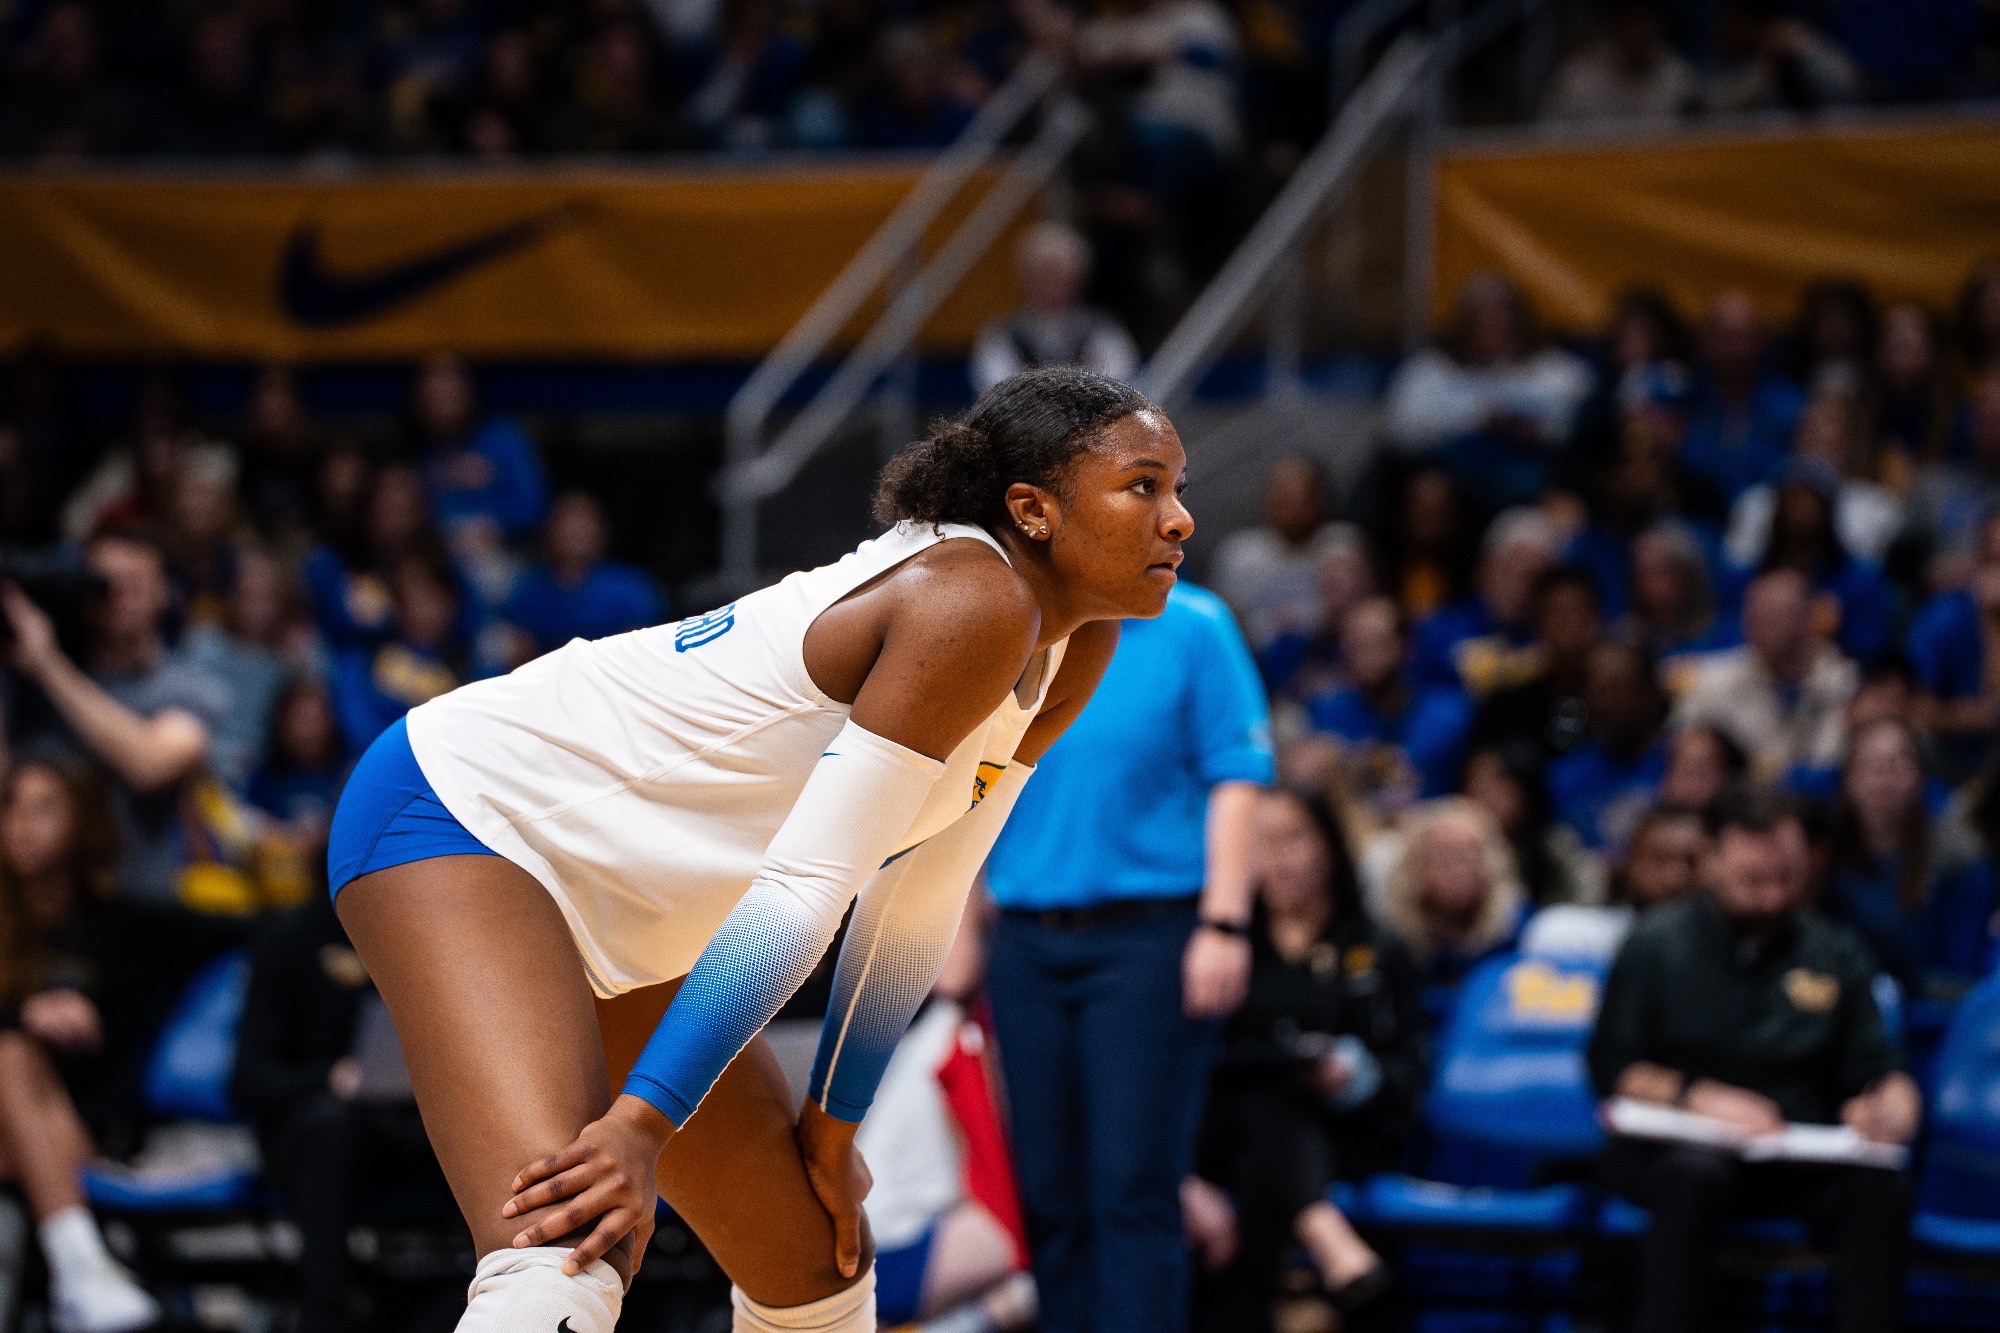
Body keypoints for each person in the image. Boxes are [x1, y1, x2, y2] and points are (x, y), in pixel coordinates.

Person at [325, 367, 1185, 1333]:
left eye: (1177, 487)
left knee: (815, 1267)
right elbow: (808, 886)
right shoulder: (969, 598)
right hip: (469, 815)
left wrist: (833, 1122)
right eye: (1144, 485)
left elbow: (918, 894)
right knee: (567, 1248)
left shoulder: (1077, 643)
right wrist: (640, 1127)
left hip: (640, 899)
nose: (1179, 518)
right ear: (1032, 509)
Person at [981, 557, 1271, 1333]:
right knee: (1044, 1187)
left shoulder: (1196, 627)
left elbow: (1238, 775)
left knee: (1132, 1186)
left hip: (1149, 935)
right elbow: (969, 785)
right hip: (1025, 939)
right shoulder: (1018, 628)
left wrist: (1225, 922)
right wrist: (961, 920)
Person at [1588, 785, 1919, 1333]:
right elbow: (1613, 1068)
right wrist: (1702, 1099)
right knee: (1697, 1176)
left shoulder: (1835, 949)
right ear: (1711, 860)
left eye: (1786, 878)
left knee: (1880, 1189)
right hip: (1676, 1146)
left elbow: (1880, 1068)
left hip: (1794, 1148)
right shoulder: (1655, 942)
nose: (1771, 897)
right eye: (1752, 880)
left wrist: (1892, 1107)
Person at [1191, 788, 1422, 1331]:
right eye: (1260, 843)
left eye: (1293, 838)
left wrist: (1354, 1077)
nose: (1278, 859)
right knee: (1263, 1098)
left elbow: (1410, 1071)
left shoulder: (1376, 947)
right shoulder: (1224, 946)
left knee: (1262, 1155)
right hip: (1220, 1135)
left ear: (1329, 847)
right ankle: (1328, 1238)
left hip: (1344, 1133)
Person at [230, 890, 445, 1333]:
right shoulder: (290, 942)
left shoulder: (429, 938)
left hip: (406, 1129)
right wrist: (328, 1077)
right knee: (331, 1126)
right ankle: (324, 1313)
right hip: (311, 1142)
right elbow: (247, 1081)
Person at [0, 757, 160, 1333]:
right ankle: (83, 1271)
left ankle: (79, 1270)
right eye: (12, 806)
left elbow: (254, 928)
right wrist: (25, 1012)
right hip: (18, 1134)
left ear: (83, 820)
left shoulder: (122, 926)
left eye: (44, 807)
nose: (22, 824)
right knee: (11, 1050)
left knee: (10, 1057)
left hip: (84, 1123)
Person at [1, 529, 230, 907]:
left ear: (164, 593)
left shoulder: (192, 687)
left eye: (133, 582)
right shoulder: (33, 680)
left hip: (138, 909)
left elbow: (149, 764)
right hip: (40, 911)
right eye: (104, 582)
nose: (115, 594)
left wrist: (47, 664)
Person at [1383, 275, 1594, 511]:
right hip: (1454, 486)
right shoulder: (1429, 371)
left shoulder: (1556, 371)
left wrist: (1531, 429)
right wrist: (1475, 420)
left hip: (1537, 479)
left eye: (1502, 322)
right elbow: (1403, 433)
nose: (1494, 330)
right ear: (1465, 325)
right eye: (1484, 323)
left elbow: (1578, 422)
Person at [1822, 718, 1997, 1001]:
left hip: (1933, 1012)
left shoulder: (1959, 865)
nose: (1883, 777)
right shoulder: (1822, 860)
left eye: (1897, 763)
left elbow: (1963, 972)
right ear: (1846, 779)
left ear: (1921, 777)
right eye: (1869, 765)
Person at [1672, 568, 1857, 781]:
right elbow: (1681, 752)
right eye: (1753, 614)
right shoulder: (1713, 681)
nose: (1759, 626)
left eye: (1774, 615)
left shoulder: (1846, 684)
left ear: (1808, 618)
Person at [1308, 597, 1474, 807]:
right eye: (1355, 645)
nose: (1365, 657)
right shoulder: (1327, 714)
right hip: (1359, 829)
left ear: (1407, 648)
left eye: (1378, 643)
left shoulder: (1448, 711)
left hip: (1433, 823)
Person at [1373, 797, 1527, 1021]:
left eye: (1470, 855)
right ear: (1415, 868)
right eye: (1444, 856)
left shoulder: (1520, 932)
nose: (1459, 869)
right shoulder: (1393, 945)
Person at [1409, 507, 1562, 698]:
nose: (1524, 587)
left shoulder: (1552, 637)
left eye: (1536, 577)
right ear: (1486, 568)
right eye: (1515, 570)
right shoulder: (1441, 629)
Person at [970, 223, 1140, 395]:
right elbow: (995, 387)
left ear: (1079, 278)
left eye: (1061, 273)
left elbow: (1118, 382)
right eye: (1044, 273)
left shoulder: (1104, 329)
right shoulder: (1001, 335)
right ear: (1025, 278)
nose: (1052, 282)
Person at [500, 492, 666, 661]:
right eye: (567, 526)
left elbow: (644, 651)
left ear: (602, 532)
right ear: (549, 532)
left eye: (584, 527)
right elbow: (520, 653)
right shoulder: (529, 591)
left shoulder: (632, 588)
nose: (575, 535)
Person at [1679, 291, 1806, 507]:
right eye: (1723, 337)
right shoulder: (1682, 397)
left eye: (1741, 337)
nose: (1733, 350)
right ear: (1705, 342)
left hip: (1769, 519)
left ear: (1761, 341)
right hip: (1699, 518)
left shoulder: (1791, 406)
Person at [1210, 457, 1350, 652]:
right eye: (1283, 496)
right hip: (1257, 659)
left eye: (1301, 496)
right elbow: (1222, 624)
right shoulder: (1238, 555)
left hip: (1331, 658)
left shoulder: (1344, 547)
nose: (1292, 507)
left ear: (1321, 498)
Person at [1546, 639, 1670, 855]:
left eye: (1617, 689)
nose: (1603, 703)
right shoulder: (1562, 778)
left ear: (1649, 693)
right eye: (1596, 690)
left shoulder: (1678, 765)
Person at [1908, 509, 2000, 780]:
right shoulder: (1942, 616)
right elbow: (1915, 710)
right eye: (1996, 562)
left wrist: (1993, 625)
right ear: (1979, 563)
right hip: (1947, 765)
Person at [1539, 0, 1695, 125]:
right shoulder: (1577, 81)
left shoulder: (1678, 79)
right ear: (1613, 24)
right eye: (1631, 20)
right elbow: (1549, 148)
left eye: (1646, 20)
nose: (1639, 31)